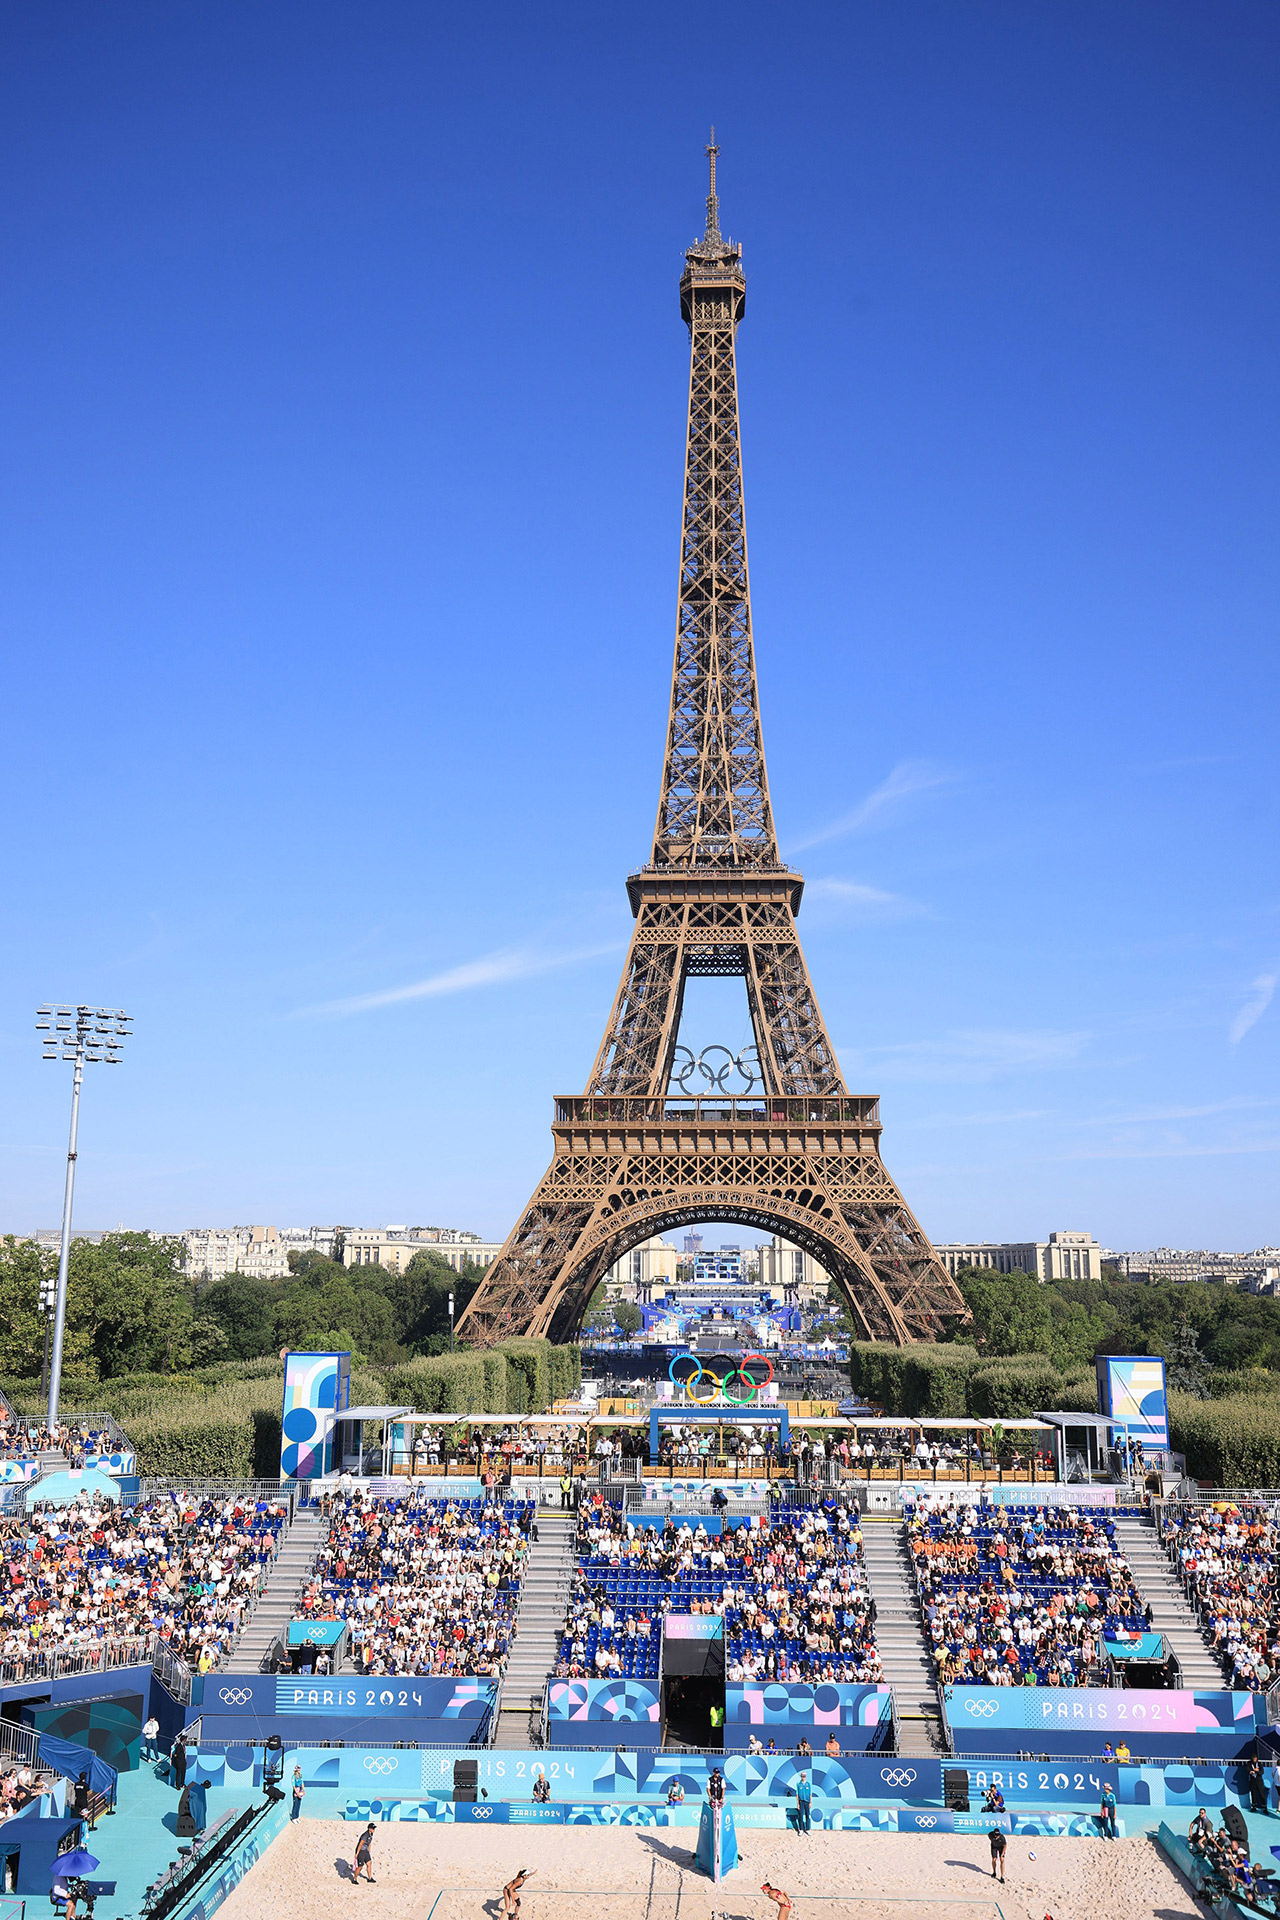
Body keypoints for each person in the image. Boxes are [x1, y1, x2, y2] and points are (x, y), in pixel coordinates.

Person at [793, 1770, 812, 1834]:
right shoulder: (798, 1784)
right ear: (801, 1776)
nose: (803, 1777)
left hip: (807, 1801)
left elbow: (810, 1794)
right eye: (802, 1776)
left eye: (804, 1776)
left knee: (807, 1815)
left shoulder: (808, 1784)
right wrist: (797, 1804)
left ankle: (807, 1829)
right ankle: (801, 1829)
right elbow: (797, 1794)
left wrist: (810, 1802)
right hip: (801, 1802)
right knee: (800, 1816)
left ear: (806, 1776)